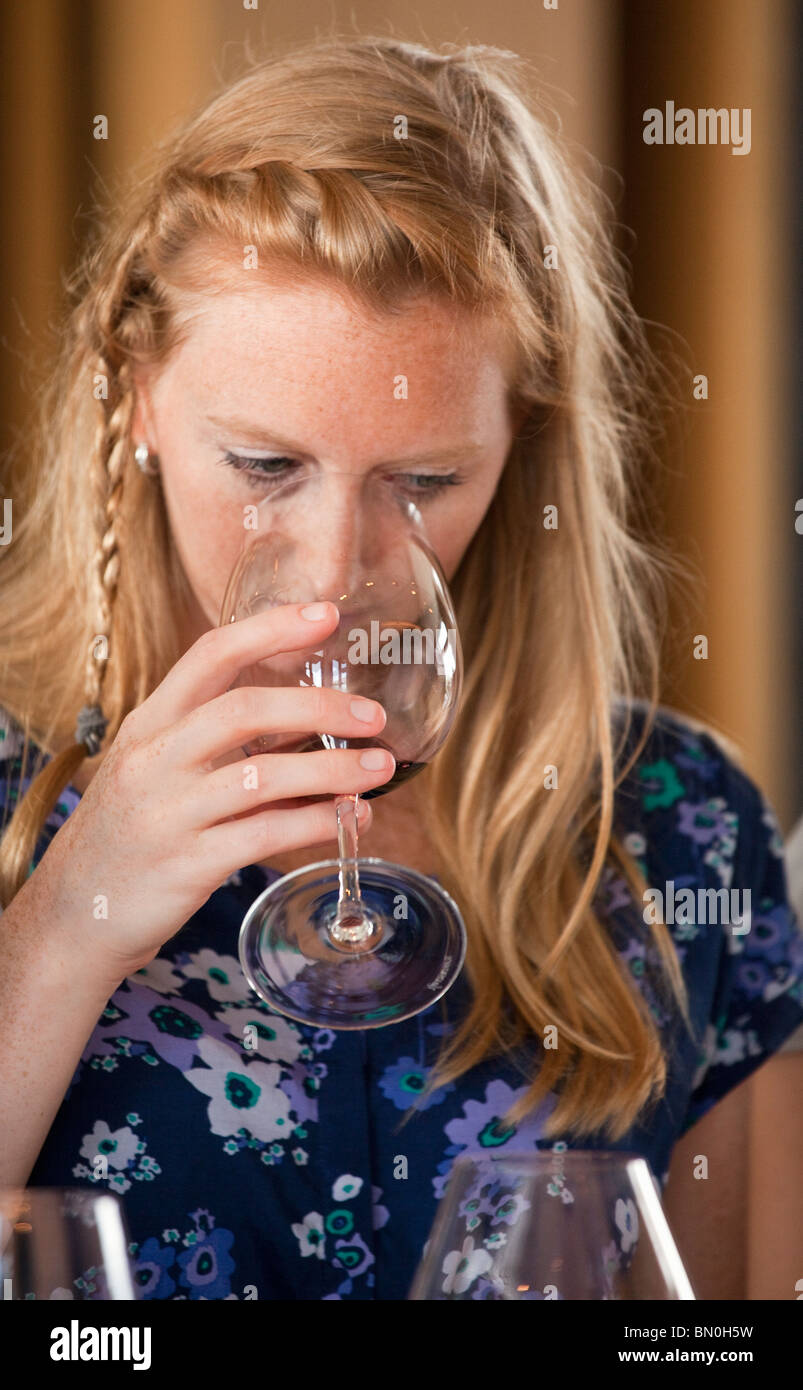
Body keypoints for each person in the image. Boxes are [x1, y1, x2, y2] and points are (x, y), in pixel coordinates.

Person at [1, 33, 801, 1302]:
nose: (334, 575)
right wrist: (62, 921)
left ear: (518, 443)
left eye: (424, 482)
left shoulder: (677, 827)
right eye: (264, 467)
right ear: (137, 395)